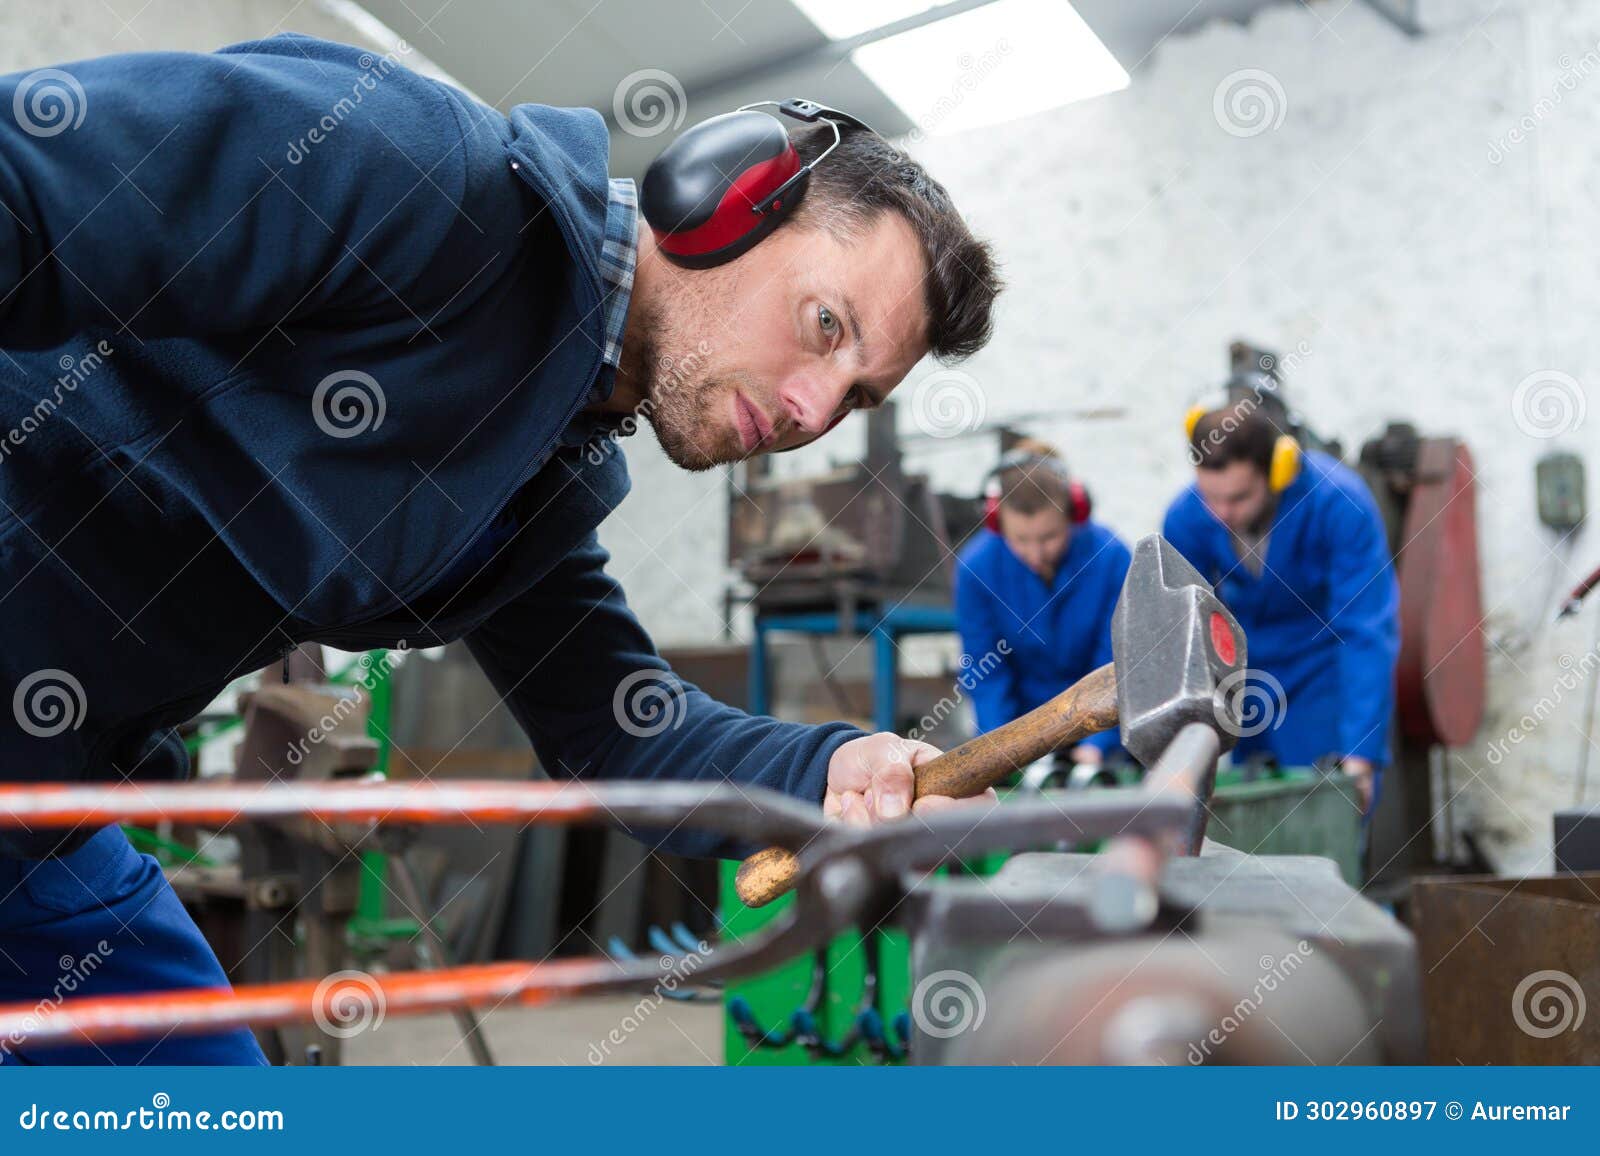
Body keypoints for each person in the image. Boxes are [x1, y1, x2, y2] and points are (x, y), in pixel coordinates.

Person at [0, 35, 1001, 1064]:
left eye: (859, 396)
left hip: (37, 832)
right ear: (718, 196)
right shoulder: (411, 169)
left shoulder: (537, 488)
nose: (811, 407)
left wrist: (838, 763)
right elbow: (23, 180)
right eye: (822, 324)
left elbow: (625, 735)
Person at [1162, 392, 1399, 811]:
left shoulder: (1340, 504)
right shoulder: (1186, 517)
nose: (1221, 513)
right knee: (1254, 823)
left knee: (1325, 818)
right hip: (1245, 683)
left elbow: (1366, 629)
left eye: (1238, 498)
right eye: (1210, 498)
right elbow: (1184, 636)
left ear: (1278, 470)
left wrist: (1360, 753)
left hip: (1322, 676)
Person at [954, 441, 1130, 770]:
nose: (1036, 554)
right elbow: (985, 672)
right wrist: (1000, 751)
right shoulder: (975, 571)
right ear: (996, 521)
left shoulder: (1113, 559)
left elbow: (1117, 662)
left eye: (1049, 537)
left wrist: (1096, 746)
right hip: (1024, 737)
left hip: (1107, 734)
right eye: (1020, 540)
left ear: (1074, 514)